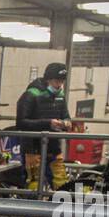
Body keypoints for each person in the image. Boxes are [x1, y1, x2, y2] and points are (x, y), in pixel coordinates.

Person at [16, 62, 72, 190]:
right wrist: (48, 123)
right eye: (56, 81)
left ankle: (60, 207)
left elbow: (66, 116)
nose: (59, 85)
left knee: (62, 183)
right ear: (48, 79)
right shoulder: (30, 95)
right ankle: (32, 209)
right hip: (33, 149)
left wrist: (66, 123)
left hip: (53, 146)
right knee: (34, 186)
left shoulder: (60, 96)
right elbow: (21, 122)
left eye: (62, 82)